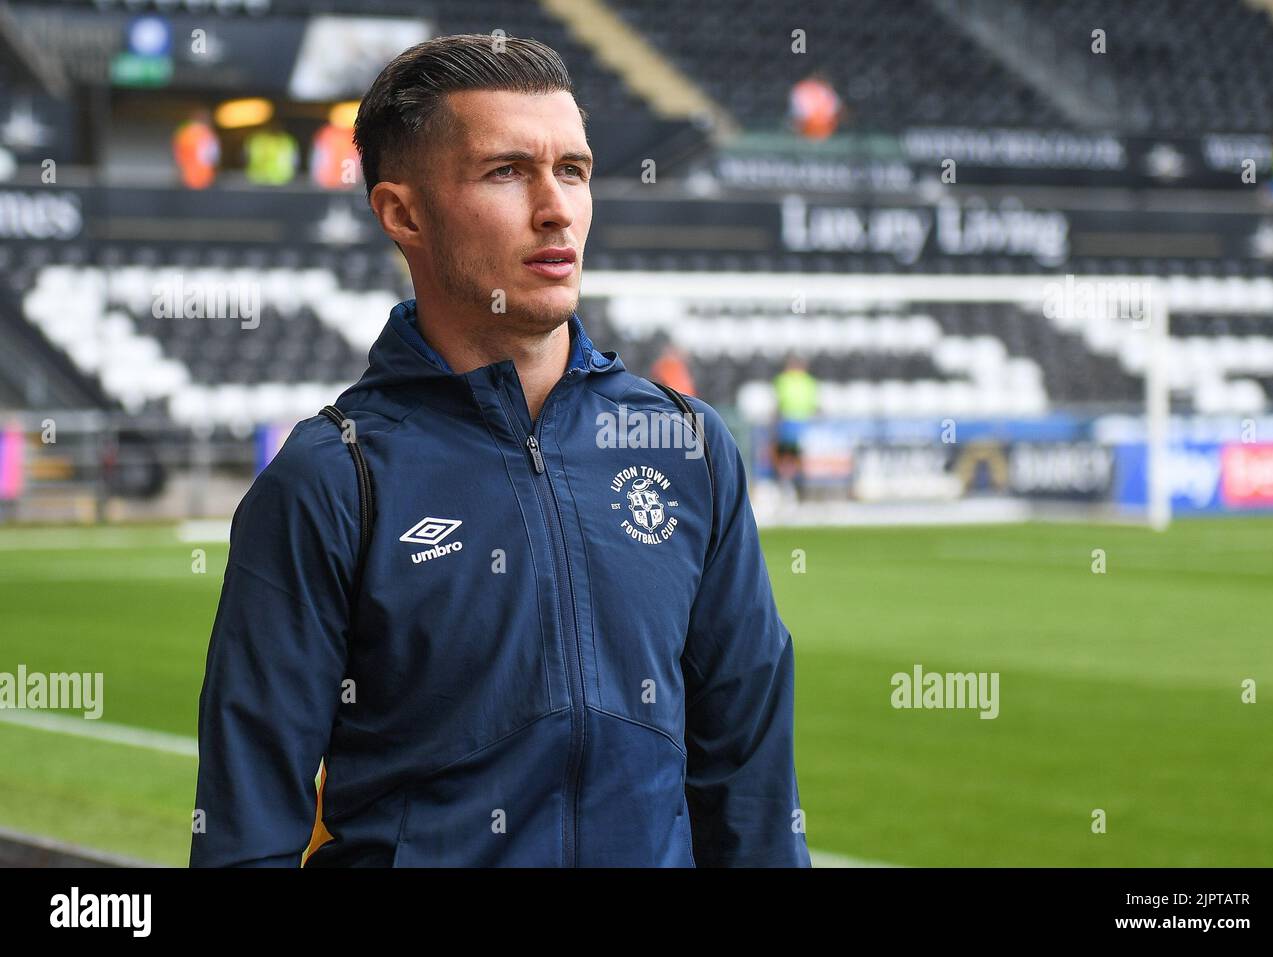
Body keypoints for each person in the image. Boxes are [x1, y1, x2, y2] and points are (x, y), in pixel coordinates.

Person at [190, 34, 811, 868]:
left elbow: (753, 791)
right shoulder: (334, 479)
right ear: (401, 213)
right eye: (507, 172)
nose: (556, 208)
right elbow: (244, 835)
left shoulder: (687, 446)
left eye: (575, 170)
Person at [772, 355, 819, 502]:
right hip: (802, 424)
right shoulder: (809, 382)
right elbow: (814, 406)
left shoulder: (783, 380)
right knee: (798, 458)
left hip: (789, 422)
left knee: (787, 458)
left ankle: (789, 488)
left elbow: (778, 404)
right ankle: (798, 489)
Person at [789, 70, 841, 140]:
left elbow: (835, 110)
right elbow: (798, 114)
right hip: (806, 127)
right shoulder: (802, 88)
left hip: (824, 128)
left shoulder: (825, 89)